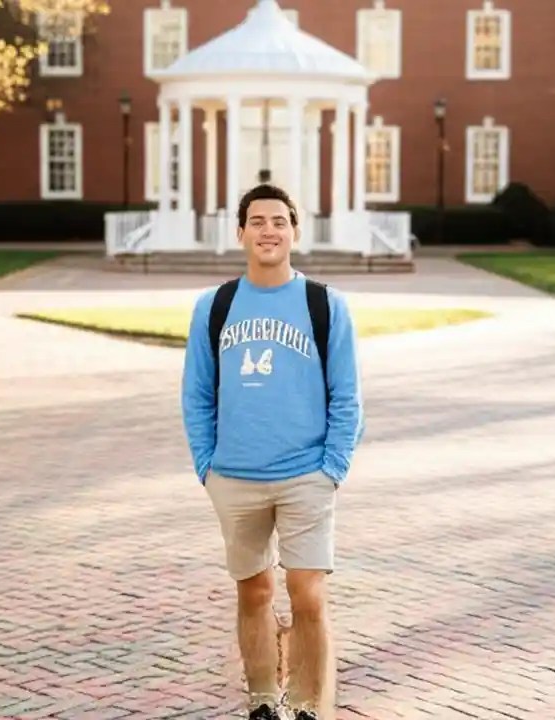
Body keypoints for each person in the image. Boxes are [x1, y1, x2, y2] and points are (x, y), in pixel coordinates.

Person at [181, 183, 365, 720]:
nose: (268, 230)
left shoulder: (324, 305)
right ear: (240, 232)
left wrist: (332, 467)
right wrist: (207, 466)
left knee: (307, 595)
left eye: (279, 221)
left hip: (306, 473)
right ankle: (263, 700)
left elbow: (347, 394)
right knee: (255, 593)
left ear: (295, 232)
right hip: (234, 478)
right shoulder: (213, 307)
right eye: (257, 221)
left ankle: (311, 706)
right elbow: (196, 393)